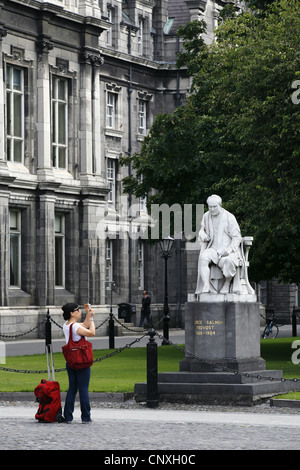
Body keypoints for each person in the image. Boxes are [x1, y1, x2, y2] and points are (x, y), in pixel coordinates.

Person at [195, 194, 242, 295]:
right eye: (210, 207)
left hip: (227, 250)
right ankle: (206, 285)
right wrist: (202, 233)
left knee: (229, 261)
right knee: (203, 258)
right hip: (213, 248)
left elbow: (237, 237)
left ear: (220, 205)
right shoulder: (206, 216)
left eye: (214, 207)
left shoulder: (229, 217)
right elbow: (202, 230)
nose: (212, 209)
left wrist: (229, 249)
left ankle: (227, 283)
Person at [62, 302, 95, 424]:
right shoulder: (75, 327)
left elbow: (84, 325)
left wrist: (88, 313)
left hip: (71, 361)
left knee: (72, 389)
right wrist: (91, 319)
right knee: (83, 389)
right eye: (77, 310)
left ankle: (68, 416)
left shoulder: (67, 325)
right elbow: (91, 332)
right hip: (82, 361)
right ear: (72, 313)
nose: (79, 311)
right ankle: (86, 416)